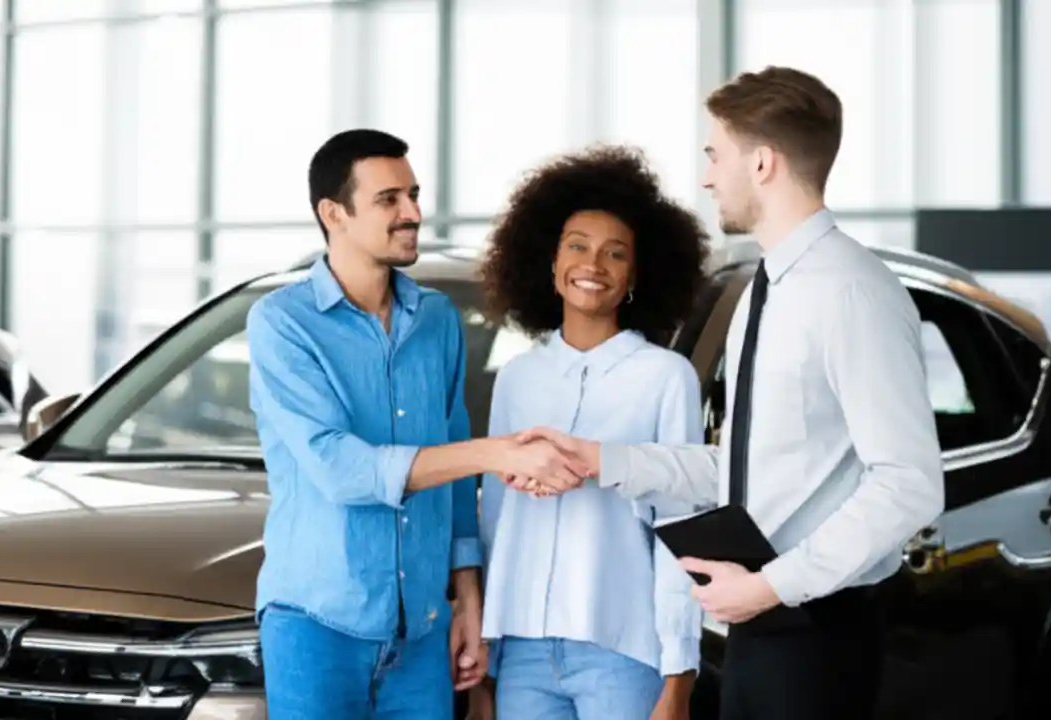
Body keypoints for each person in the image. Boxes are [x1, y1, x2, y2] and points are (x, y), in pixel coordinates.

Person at [514, 67, 946, 719]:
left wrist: (773, 585)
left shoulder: (850, 291)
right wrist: (599, 460)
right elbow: (746, 469)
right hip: (760, 622)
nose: (708, 176)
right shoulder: (765, 293)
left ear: (763, 162)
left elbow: (909, 482)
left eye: (716, 155)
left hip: (813, 629)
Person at [246, 129, 592, 719]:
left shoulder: (435, 319)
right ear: (334, 214)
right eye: (389, 200)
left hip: (424, 631)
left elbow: (453, 465)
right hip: (316, 624)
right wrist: (497, 453)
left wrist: (468, 602)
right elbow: (339, 468)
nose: (413, 213)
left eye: (414, 194)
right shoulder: (282, 323)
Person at [472, 145, 710, 720]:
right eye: (577, 246)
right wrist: (487, 659)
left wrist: (679, 673)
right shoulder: (517, 380)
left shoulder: (665, 377)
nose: (593, 264)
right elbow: (495, 525)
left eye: (615, 253)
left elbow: (683, 530)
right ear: (550, 263)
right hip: (522, 653)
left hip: (623, 651)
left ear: (634, 275)